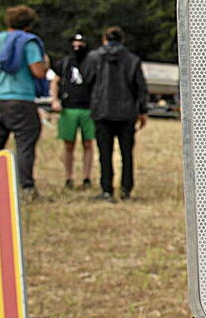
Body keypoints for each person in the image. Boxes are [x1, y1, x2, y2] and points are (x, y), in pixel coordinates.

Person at [0, 6, 49, 198]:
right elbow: (38, 71)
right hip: (20, 99)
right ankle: (25, 187)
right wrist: (46, 63)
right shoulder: (28, 43)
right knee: (25, 145)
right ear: (29, 25)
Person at [82, 26, 148, 202]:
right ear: (122, 40)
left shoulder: (94, 57)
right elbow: (139, 87)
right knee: (127, 153)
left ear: (105, 39)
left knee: (105, 153)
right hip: (126, 112)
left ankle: (106, 190)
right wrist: (142, 111)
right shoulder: (132, 59)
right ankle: (126, 190)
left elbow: (87, 80)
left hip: (102, 111)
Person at [51, 33, 96, 190]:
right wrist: (54, 100)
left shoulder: (91, 63)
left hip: (88, 108)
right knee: (68, 145)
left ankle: (86, 177)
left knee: (88, 143)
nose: (77, 48)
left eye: (80, 44)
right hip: (68, 107)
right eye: (74, 44)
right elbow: (55, 81)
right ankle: (68, 177)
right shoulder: (65, 63)